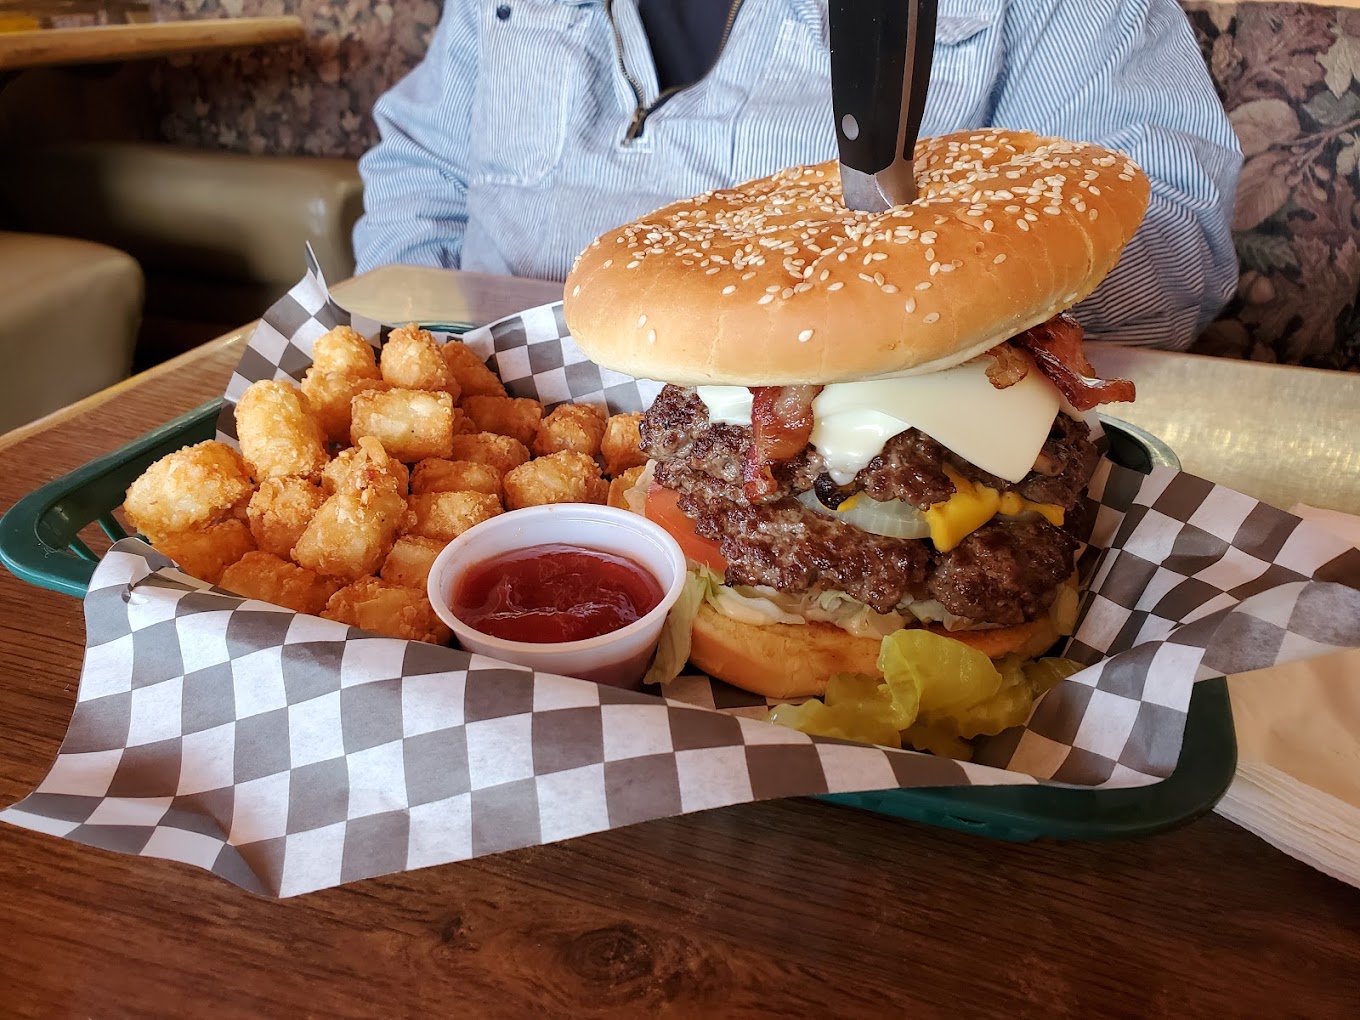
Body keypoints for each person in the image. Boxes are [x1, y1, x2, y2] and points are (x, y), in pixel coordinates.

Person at [354, 0, 1241, 350]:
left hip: (826, 462)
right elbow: (420, 165)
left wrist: (917, 293)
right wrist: (416, 357)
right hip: (480, 437)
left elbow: (1174, 244)